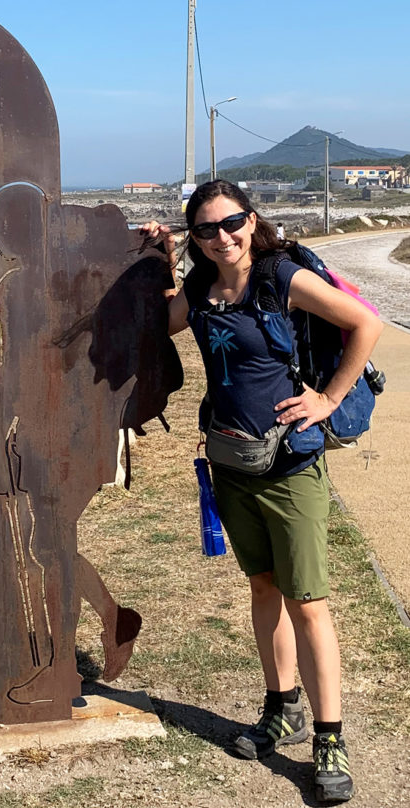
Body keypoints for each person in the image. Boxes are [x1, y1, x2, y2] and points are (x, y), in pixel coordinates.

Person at [142, 179, 381, 804]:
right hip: (232, 460)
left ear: (253, 220)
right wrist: (164, 260)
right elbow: (164, 323)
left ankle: (329, 737)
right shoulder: (199, 288)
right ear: (194, 235)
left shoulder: (280, 278)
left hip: (290, 465)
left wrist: (327, 399)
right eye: (206, 229)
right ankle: (283, 707)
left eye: (233, 223)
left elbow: (365, 323)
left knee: (308, 602)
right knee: (263, 586)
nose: (223, 237)